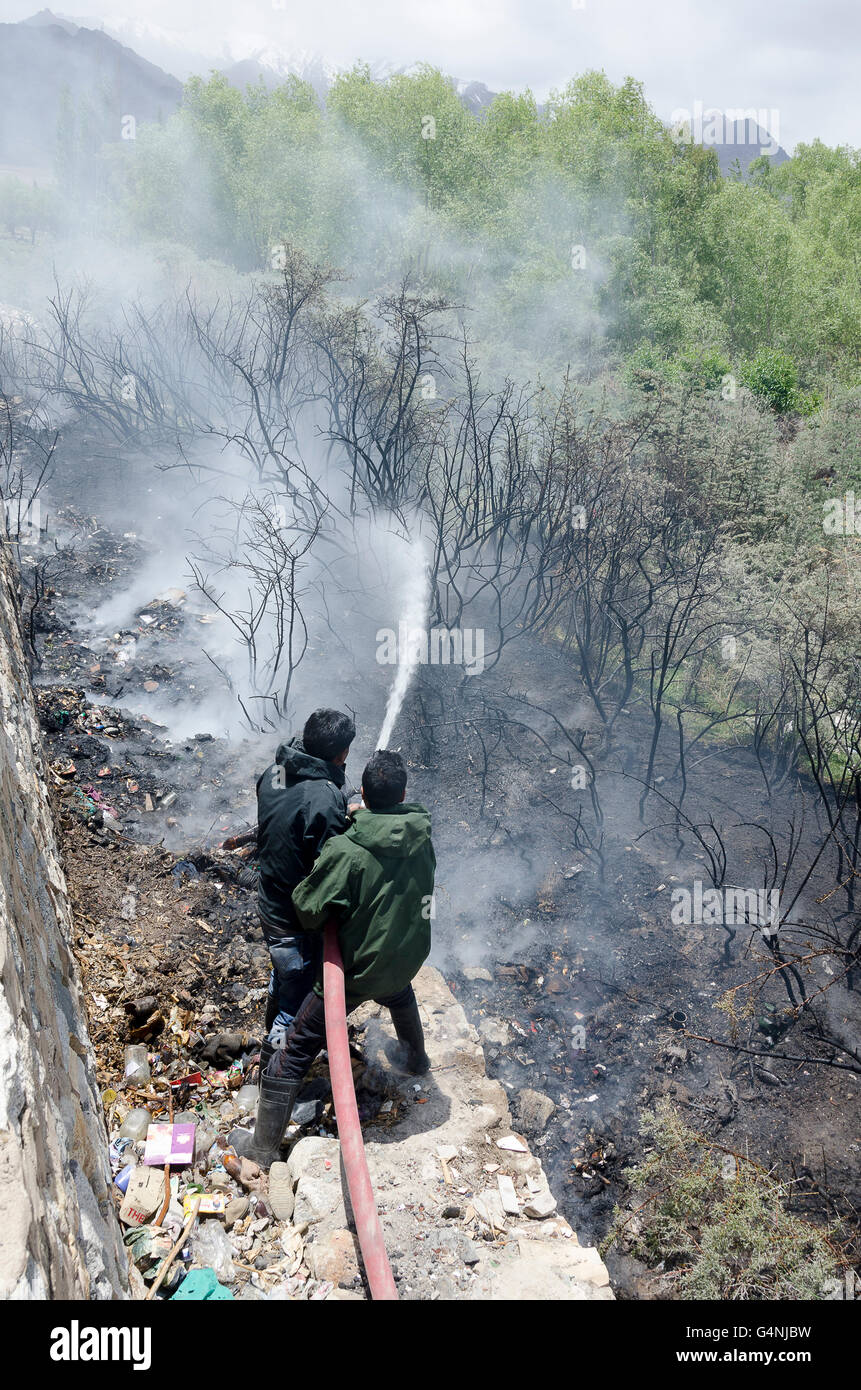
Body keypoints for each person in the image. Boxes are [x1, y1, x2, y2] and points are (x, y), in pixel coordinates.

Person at [232, 750, 435, 1167]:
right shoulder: (421, 835)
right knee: (398, 991)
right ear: (403, 794)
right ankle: (416, 1059)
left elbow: (308, 907)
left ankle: (262, 1149)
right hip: (407, 954)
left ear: (361, 792)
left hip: (359, 969)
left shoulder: (347, 850)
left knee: (298, 1046)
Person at [254, 708, 356, 1073]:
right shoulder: (325, 798)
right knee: (293, 1003)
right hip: (294, 918)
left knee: (284, 975)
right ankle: (274, 1073)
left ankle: (272, 1038)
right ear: (341, 754)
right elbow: (328, 866)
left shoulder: (273, 773)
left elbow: (288, 822)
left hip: (269, 902)